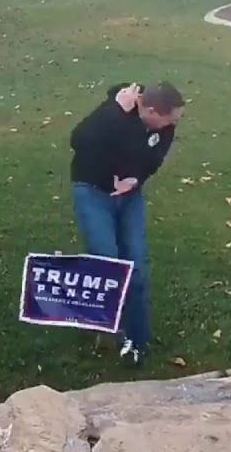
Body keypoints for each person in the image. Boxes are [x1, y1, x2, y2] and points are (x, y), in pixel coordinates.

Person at [68, 81, 185, 366]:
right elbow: (79, 140)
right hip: (93, 190)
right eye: (170, 118)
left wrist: (136, 179)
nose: (173, 125)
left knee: (137, 267)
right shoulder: (115, 113)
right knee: (107, 261)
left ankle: (136, 341)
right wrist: (114, 111)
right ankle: (99, 323)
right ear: (153, 111)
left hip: (129, 197)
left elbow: (153, 159)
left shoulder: (163, 129)